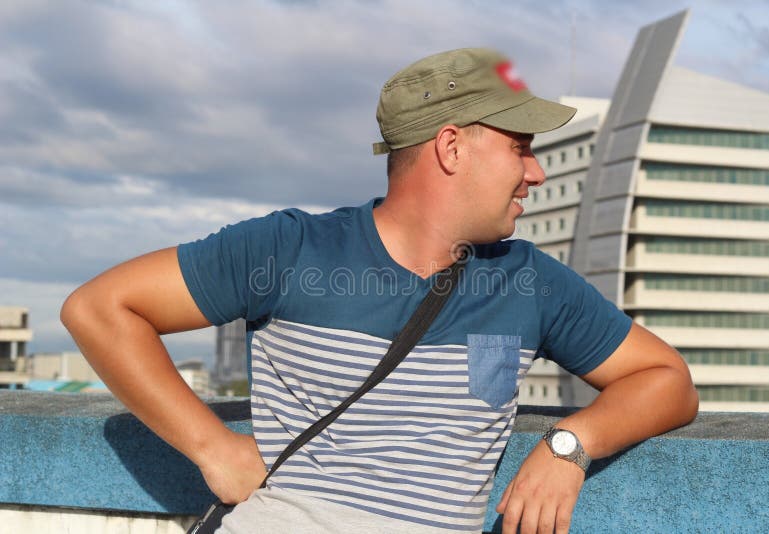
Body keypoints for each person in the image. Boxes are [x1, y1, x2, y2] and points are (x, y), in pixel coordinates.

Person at [61, 48, 698, 534]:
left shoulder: (527, 279)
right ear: (452, 148)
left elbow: (666, 379)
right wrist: (212, 447)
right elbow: (98, 308)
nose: (535, 171)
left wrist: (570, 445)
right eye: (519, 149)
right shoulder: (289, 249)